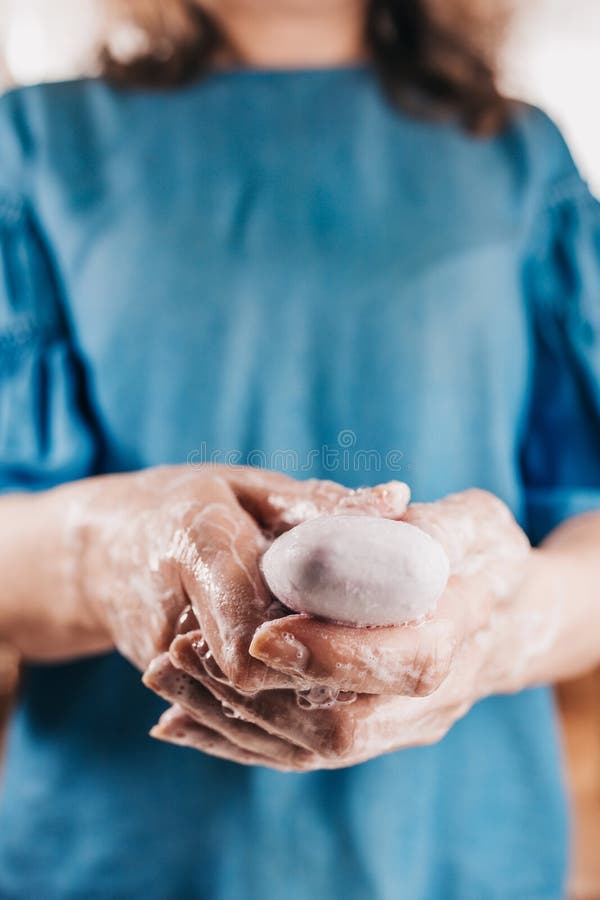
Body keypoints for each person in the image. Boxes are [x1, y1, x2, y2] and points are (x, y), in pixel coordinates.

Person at [0, 0, 599, 897]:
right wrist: (105, 552)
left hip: (449, 847)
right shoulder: (37, 143)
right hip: (121, 850)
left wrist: (508, 620)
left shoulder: (515, 151)